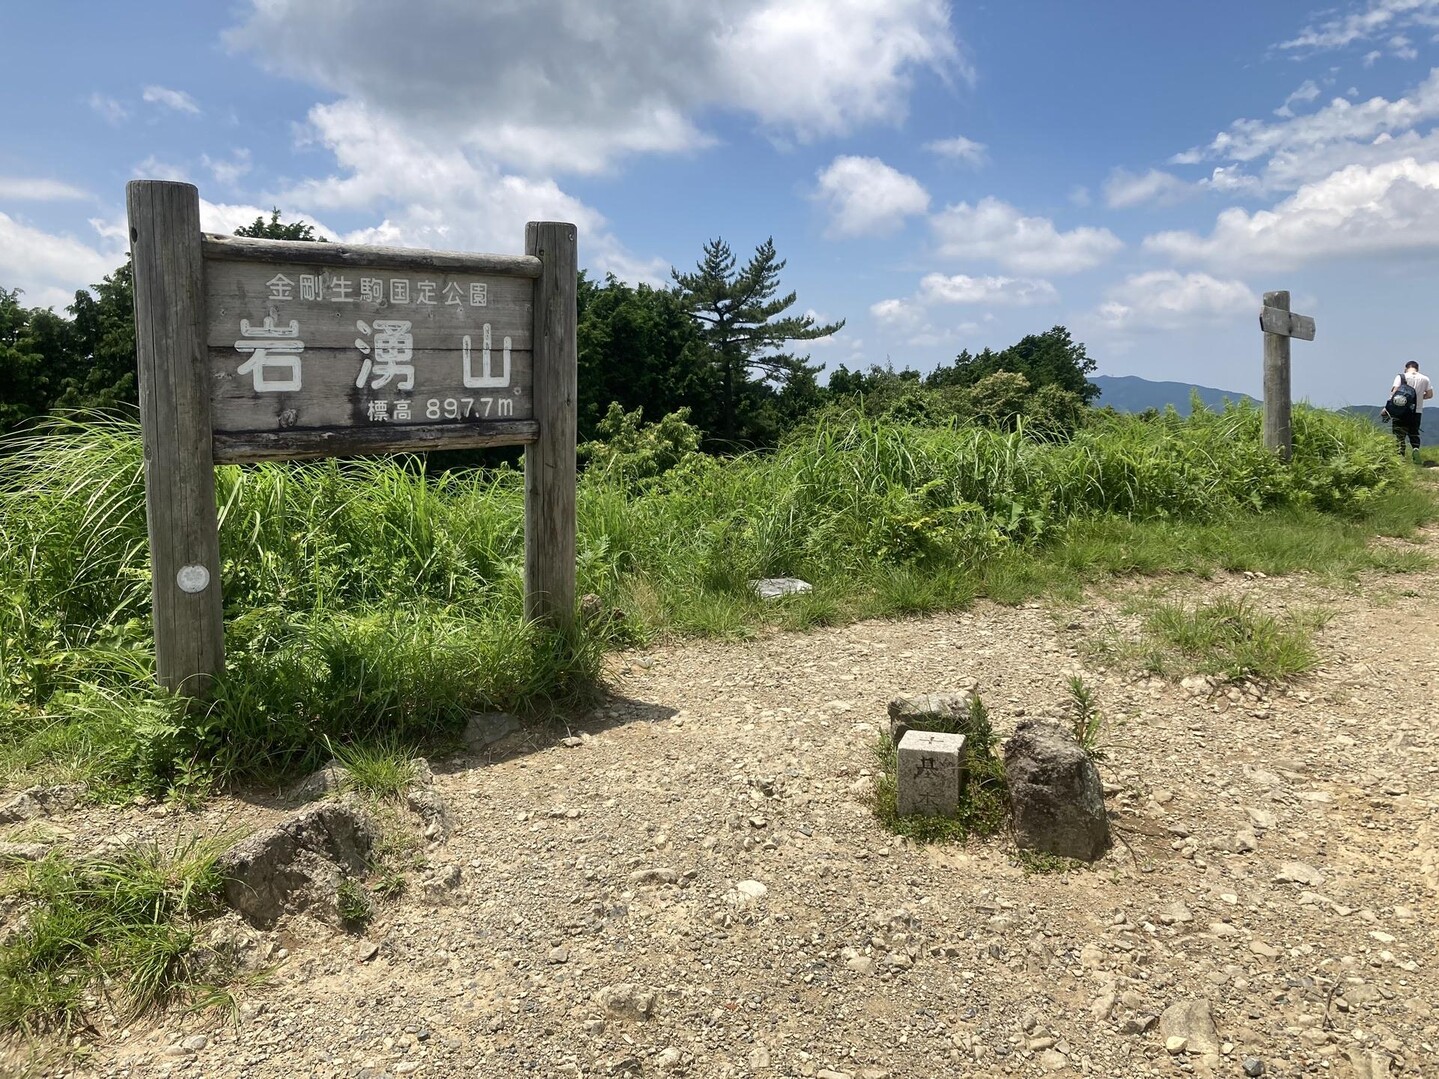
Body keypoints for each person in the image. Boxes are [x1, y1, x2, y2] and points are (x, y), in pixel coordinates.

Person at [1383, 360, 1433, 462]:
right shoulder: (1425, 378)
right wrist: (1418, 397)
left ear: (1406, 368)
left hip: (1400, 411)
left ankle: (1401, 457)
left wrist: (1387, 408)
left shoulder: (1401, 377)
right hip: (1417, 411)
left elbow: (1394, 393)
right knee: (1414, 433)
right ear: (1417, 368)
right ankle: (1415, 449)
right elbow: (1429, 395)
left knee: (1399, 435)